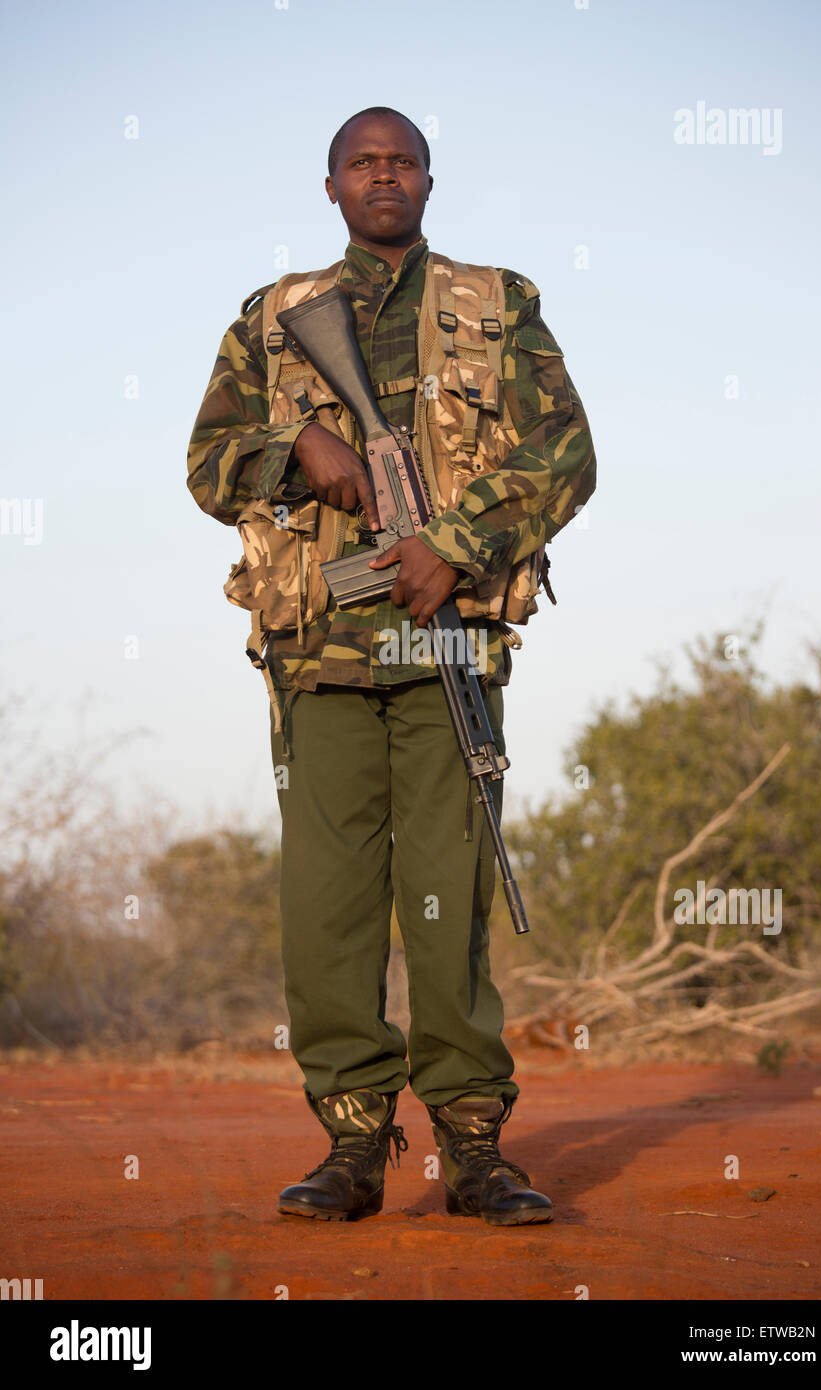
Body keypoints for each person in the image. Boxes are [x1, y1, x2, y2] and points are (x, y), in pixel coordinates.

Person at [187, 106, 596, 1226]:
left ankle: (472, 1150)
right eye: (362, 163)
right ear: (329, 186)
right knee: (325, 909)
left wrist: (448, 549)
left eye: (401, 162)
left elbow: (566, 454)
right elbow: (207, 461)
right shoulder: (273, 320)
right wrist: (294, 448)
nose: (383, 176)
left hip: (449, 642)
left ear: (427, 181)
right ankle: (351, 1146)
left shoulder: (497, 306)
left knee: (448, 905)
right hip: (318, 650)